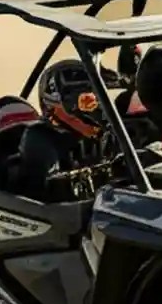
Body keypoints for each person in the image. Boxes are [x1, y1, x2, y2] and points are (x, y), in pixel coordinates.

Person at [16, 58, 114, 201]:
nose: (96, 109)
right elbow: (49, 199)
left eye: (96, 100)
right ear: (53, 107)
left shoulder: (101, 139)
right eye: (86, 102)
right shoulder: (39, 139)